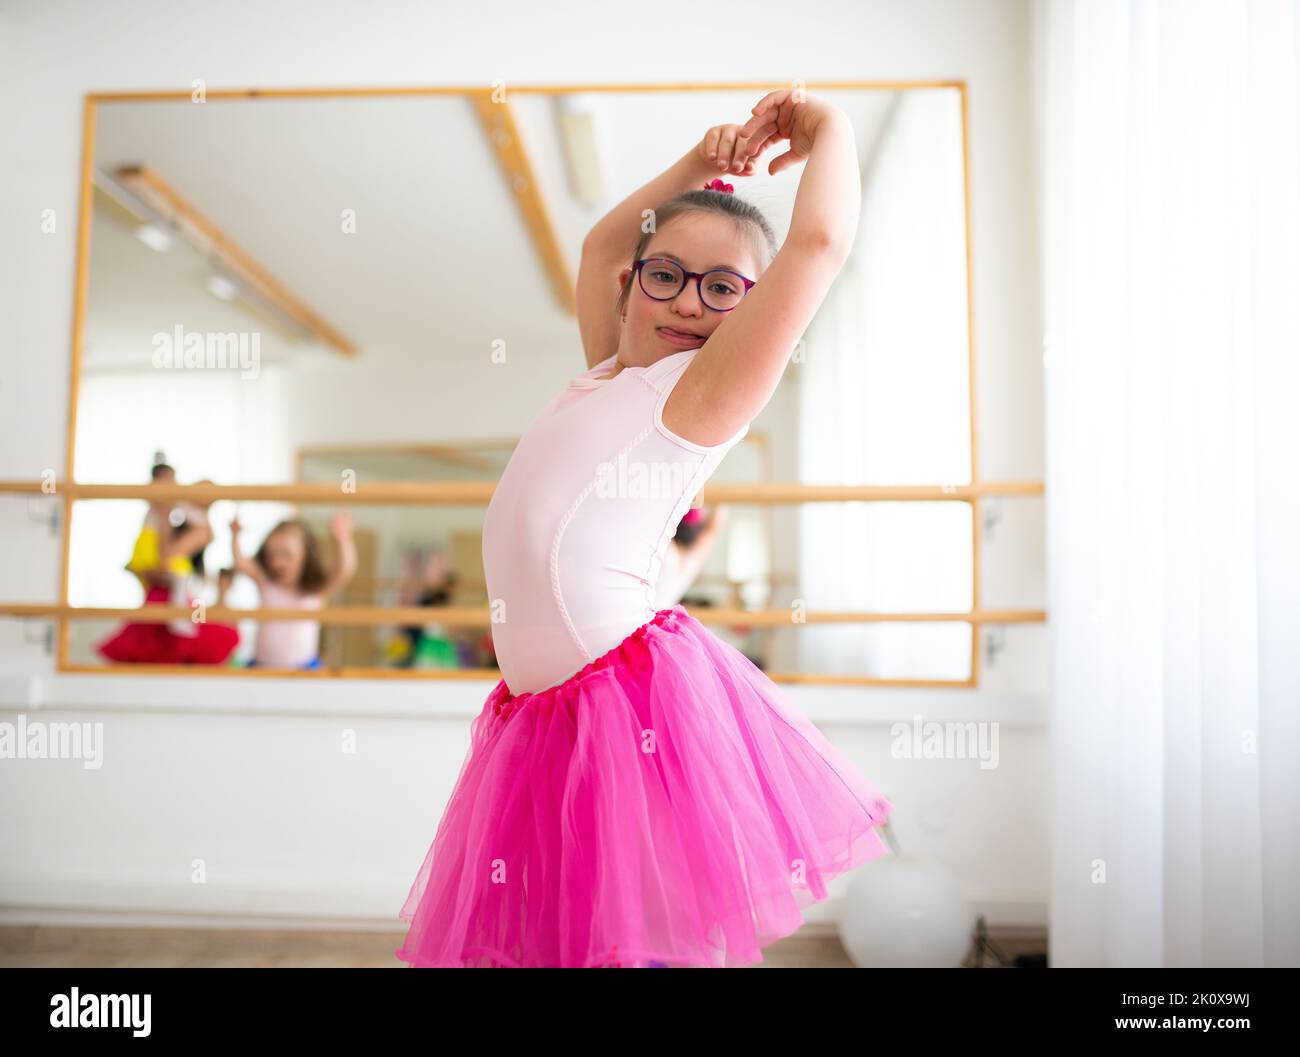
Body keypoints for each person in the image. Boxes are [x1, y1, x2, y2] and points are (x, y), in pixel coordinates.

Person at [396, 90, 895, 969]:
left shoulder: (699, 394)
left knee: (643, 935)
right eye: (666, 272)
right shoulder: (603, 372)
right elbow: (597, 246)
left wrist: (827, 130)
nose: (688, 302)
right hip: (547, 716)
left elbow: (819, 244)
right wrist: (704, 169)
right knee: (571, 936)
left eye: (724, 289)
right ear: (634, 282)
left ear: (749, 312)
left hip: (623, 705)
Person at [96, 472, 239, 665]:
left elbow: (167, 554)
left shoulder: (202, 528)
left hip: (175, 597)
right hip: (160, 593)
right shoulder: (181, 517)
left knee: (174, 643)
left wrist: (164, 512)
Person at [231, 511, 357, 669]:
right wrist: (235, 535)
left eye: (286, 554)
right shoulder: (267, 583)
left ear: (306, 556)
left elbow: (343, 570)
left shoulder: (315, 591)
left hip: (303, 669)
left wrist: (342, 538)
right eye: (272, 554)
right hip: (262, 667)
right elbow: (240, 563)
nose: (277, 562)